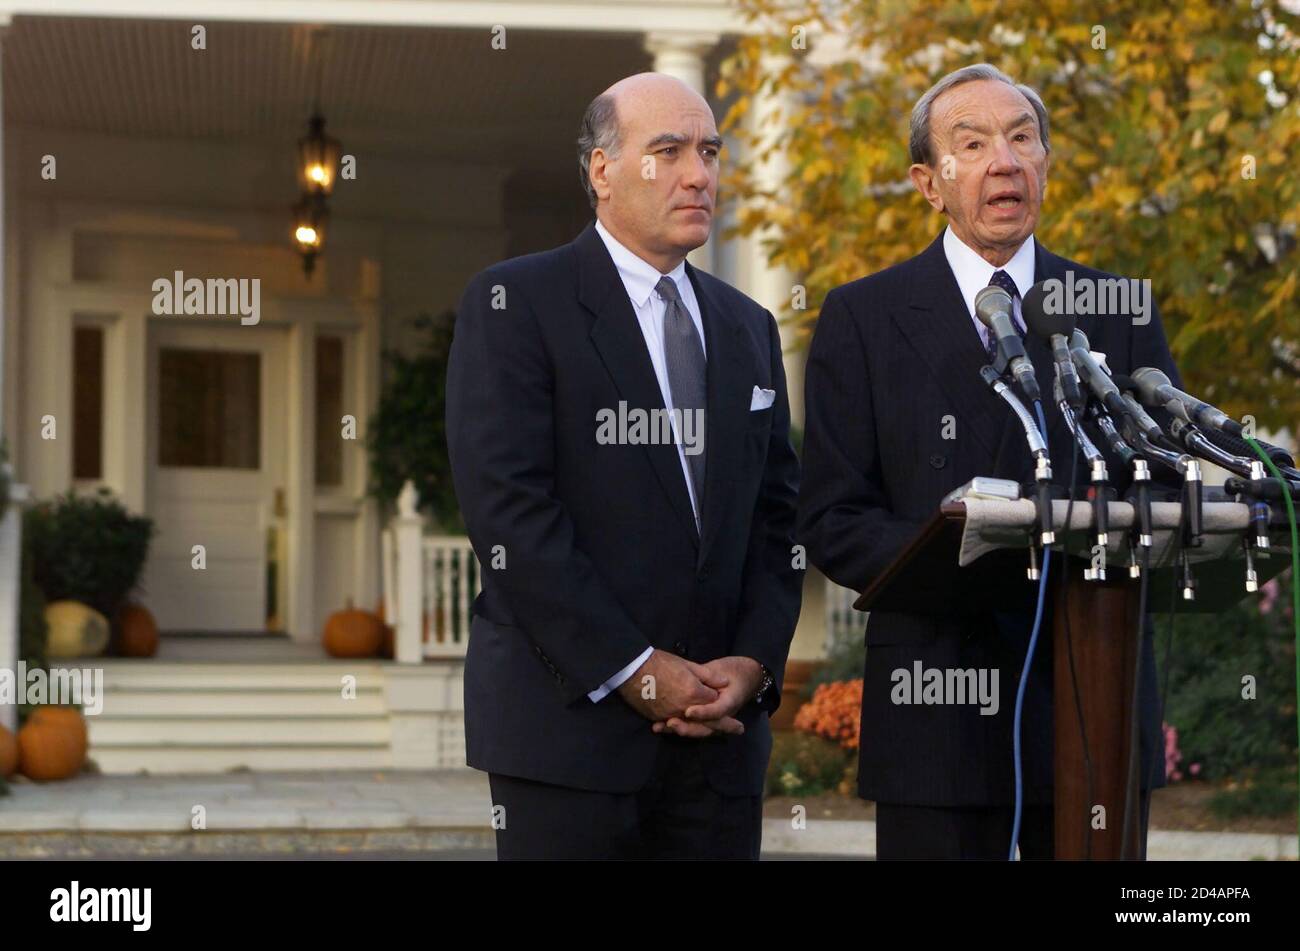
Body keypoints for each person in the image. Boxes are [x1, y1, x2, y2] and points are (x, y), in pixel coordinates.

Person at [797, 63, 1182, 859]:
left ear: (1044, 164)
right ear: (928, 183)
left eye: (1022, 138)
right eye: (971, 144)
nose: (1004, 161)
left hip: (1091, 707)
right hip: (937, 711)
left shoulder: (1116, 309)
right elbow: (833, 518)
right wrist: (959, 552)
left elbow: (1166, 482)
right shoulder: (862, 317)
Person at [446, 71, 802, 860]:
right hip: (569, 741)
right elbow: (510, 516)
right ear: (601, 171)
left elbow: (780, 520)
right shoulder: (515, 304)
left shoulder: (748, 327)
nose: (699, 174)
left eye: (709, 151)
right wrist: (635, 670)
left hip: (720, 742)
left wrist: (753, 664)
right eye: (667, 150)